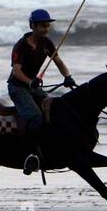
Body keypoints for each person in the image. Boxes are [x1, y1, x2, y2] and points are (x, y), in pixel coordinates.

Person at [8, 9, 76, 175]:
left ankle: (48, 148)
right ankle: (30, 155)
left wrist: (68, 77)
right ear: (32, 26)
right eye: (42, 26)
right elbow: (16, 71)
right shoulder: (21, 46)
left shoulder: (47, 43)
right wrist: (30, 82)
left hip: (34, 87)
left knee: (53, 110)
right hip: (18, 87)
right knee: (36, 117)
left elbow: (58, 62)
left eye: (47, 26)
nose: (45, 29)